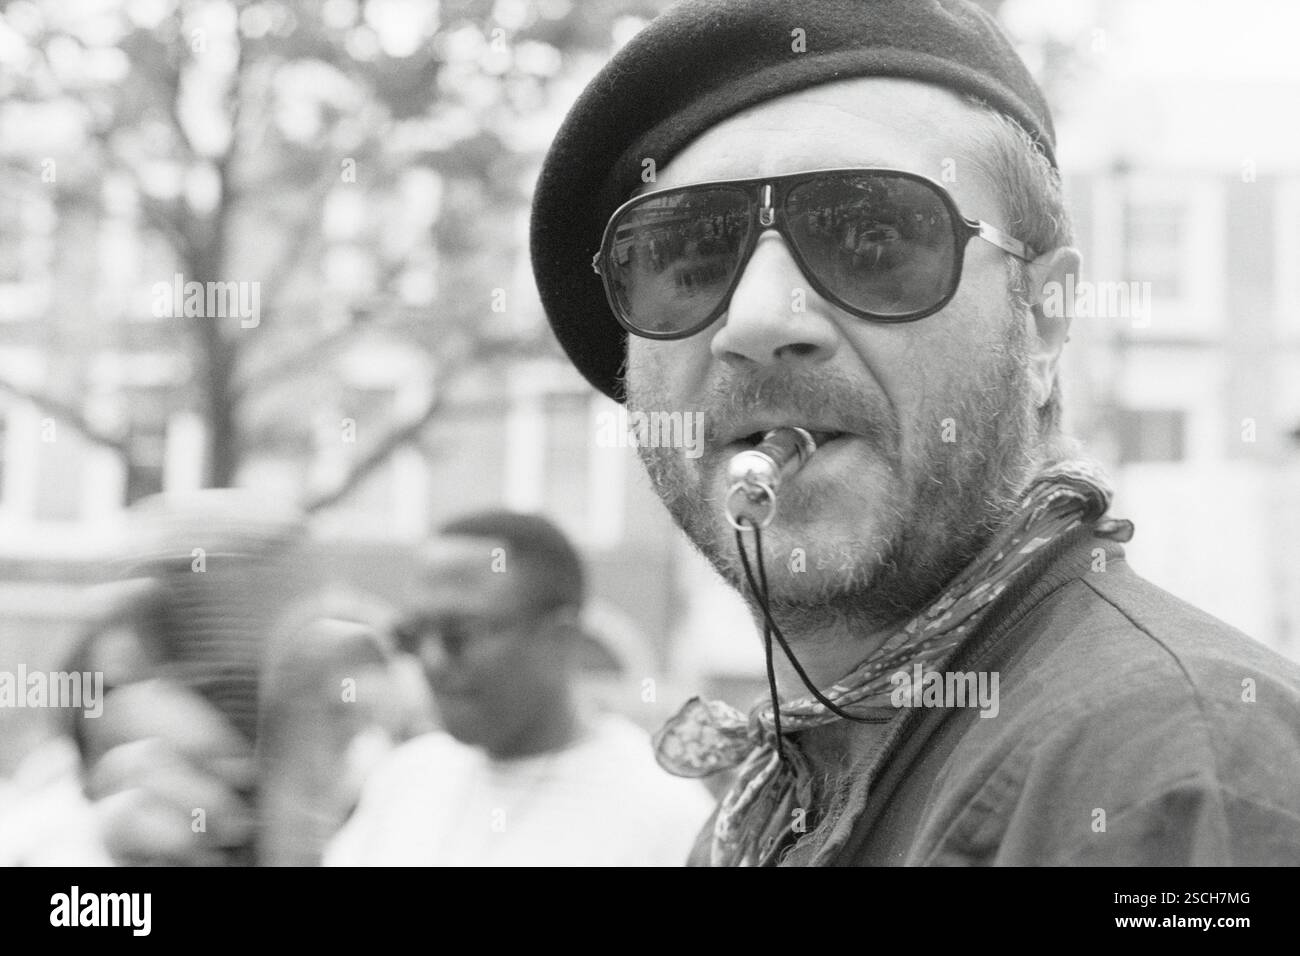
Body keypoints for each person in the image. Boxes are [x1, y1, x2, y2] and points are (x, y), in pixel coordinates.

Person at [529, 0, 1300, 865]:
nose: (753, 319)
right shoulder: (773, 799)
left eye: (871, 237)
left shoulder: (1165, 771)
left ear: (1043, 320)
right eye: (689, 260)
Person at [323, 510, 714, 866]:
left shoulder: (661, 813)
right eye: (413, 633)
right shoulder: (406, 776)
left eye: (457, 634)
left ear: (558, 639)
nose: (431, 660)